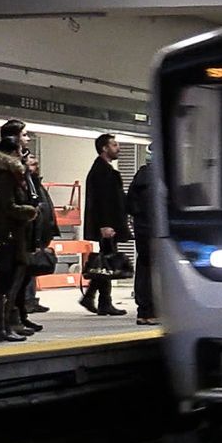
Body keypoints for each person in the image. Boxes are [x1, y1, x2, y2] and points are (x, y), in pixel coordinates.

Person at [0, 137, 39, 342]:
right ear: (14, 152)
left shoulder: (9, 175)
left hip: (13, 236)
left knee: (9, 283)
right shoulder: (6, 177)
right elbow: (8, 206)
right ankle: (1, 327)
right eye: (20, 148)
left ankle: (4, 326)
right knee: (6, 283)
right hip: (10, 237)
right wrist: (30, 211)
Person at [81, 133, 131, 316]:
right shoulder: (101, 171)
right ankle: (102, 301)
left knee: (106, 262)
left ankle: (94, 298)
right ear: (104, 148)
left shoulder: (105, 169)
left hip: (110, 224)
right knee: (107, 261)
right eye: (114, 145)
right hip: (107, 226)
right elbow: (102, 201)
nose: (118, 148)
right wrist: (105, 224)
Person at [24, 153, 60, 315]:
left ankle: (30, 300)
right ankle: (25, 301)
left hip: (40, 233)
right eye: (31, 160)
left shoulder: (36, 184)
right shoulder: (25, 184)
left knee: (31, 269)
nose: (35, 163)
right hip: (30, 234)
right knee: (26, 269)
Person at [126, 147, 157, 325]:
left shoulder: (140, 176)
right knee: (154, 271)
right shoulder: (158, 178)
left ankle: (143, 311)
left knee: (143, 268)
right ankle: (152, 310)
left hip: (142, 230)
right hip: (155, 230)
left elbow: (130, 205)